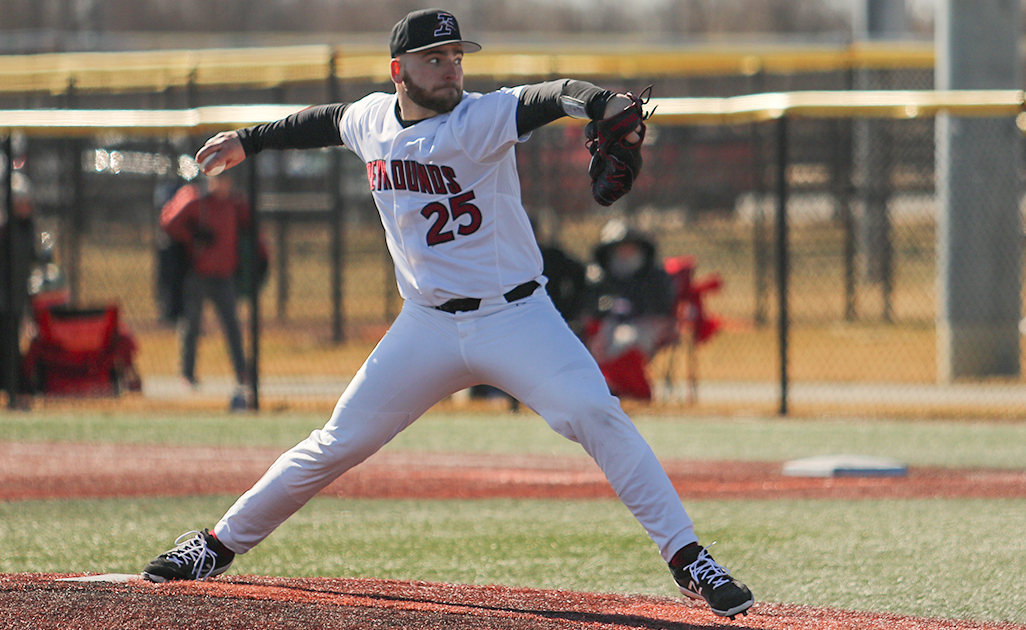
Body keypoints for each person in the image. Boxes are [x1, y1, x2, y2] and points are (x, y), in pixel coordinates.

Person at [140, 8, 754, 620]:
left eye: (457, 56)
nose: (450, 68)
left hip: (516, 318)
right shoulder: (372, 118)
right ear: (397, 69)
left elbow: (551, 95)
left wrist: (602, 103)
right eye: (435, 58)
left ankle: (688, 558)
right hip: (426, 326)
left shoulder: (479, 118)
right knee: (336, 442)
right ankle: (215, 545)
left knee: (595, 413)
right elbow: (322, 121)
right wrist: (247, 141)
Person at [159, 172, 249, 398]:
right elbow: (168, 221)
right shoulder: (195, 199)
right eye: (218, 178)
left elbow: (251, 225)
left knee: (233, 326)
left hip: (225, 276)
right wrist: (192, 235)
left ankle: (242, 375)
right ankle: (187, 376)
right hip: (198, 274)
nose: (222, 184)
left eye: (227, 179)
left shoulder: (234, 203)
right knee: (191, 326)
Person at [581, 219, 678, 401]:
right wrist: (606, 307)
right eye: (620, 248)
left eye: (630, 247)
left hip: (648, 324)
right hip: (613, 324)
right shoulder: (600, 276)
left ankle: (637, 391)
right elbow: (590, 308)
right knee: (599, 344)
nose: (625, 252)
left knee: (626, 339)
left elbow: (662, 308)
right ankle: (609, 387)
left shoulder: (654, 276)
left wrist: (636, 309)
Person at [0, 172, 40, 394]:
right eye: (21, 203)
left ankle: (17, 384)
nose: (25, 207)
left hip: (20, 297)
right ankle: (3, 384)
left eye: (27, 203)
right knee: (1, 345)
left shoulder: (30, 229)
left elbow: (36, 261)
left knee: (17, 343)